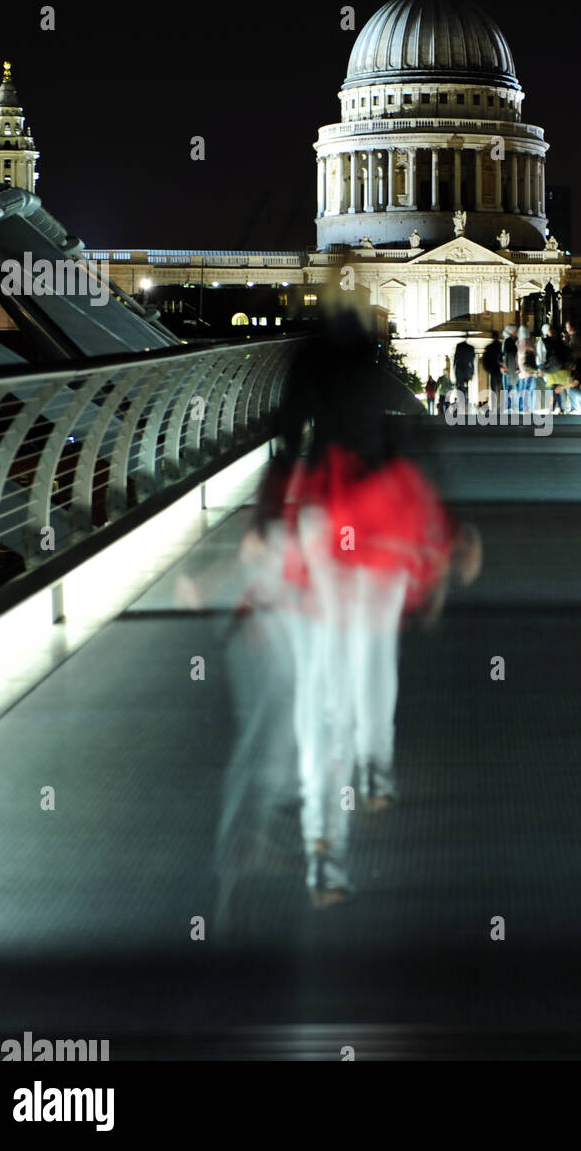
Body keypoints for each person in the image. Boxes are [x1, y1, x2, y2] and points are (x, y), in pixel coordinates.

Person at [200, 314, 482, 914]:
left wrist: (261, 532)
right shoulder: (378, 386)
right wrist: (449, 536)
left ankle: (320, 837)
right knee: (372, 656)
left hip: (317, 526)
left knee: (317, 695)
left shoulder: (304, 378)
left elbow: (283, 447)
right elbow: (414, 454)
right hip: (377, 525)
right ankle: (371, 772)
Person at [453, 334, 476, 404]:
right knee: (466, 385)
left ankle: (461, 398)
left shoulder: (459, 346)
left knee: (460, 385)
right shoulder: (470, 348)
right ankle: (465, 397)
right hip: (467, 370)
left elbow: (455, 359)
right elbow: (472, 362)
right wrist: (472, 372)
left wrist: (454, 370)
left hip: (460, 369)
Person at [482, 330, 503, 401]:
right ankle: (502, 407)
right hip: (500, 369)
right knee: (502, 388)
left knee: (493, 389)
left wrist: (488, 369)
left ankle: (494, 406)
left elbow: (485, 359)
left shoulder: (489, 347)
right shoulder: (501, 346)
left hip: (493, 370)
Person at [500, 325, 518, 401]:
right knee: (511, 388)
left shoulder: (506, 340)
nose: (517, 332)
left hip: (508, 368)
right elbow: (508, 355)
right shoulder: (509, 341)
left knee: (508, 388)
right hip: (509, 368)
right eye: (515, 331)